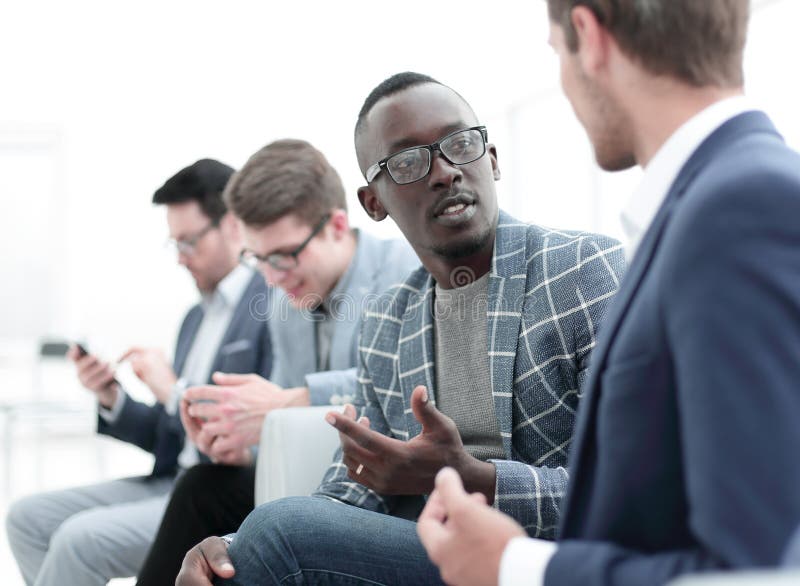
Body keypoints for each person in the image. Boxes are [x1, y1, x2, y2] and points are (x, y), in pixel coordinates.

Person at [175, 72, 626, 585]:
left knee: (279, 532)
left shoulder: (585, 271)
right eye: (409, 162)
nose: (445, 172)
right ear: (374, 203)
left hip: (552, 562)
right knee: (238, 548)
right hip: (434, 558)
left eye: (460, 144)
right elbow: (351, 492)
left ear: (492, 159)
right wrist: (231, 548)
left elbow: (634, 486)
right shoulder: (390, 318)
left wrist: (475, 477)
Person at [415, 1, 800, 585]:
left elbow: (764, 572)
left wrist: (514, 566)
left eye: (555, 53)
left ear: (588, 36)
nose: (565, 85)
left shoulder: (737, 209)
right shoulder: (717, 201)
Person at [135, 138, 419, 585]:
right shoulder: (282, 297)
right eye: (257, 258)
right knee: (202, 485)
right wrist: (241, 445)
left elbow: (399, 387)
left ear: (337, 226)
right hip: (314, 472)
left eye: (283, 256)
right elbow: (283, 428)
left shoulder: (406, 274)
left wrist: (290, 402)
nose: (270, 276)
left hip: (383, 491)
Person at [5, 158, 273, 586]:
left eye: (190, 243)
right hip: (169, 479)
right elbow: (167, 436)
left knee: (79, 541)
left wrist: (174, 390)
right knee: (27, 518)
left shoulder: (271, 306)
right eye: (175, 245)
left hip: (212, 492)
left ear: (233, 227)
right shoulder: (194, 319)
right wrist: (114, 398)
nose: (182, 259)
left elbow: (260, 429)